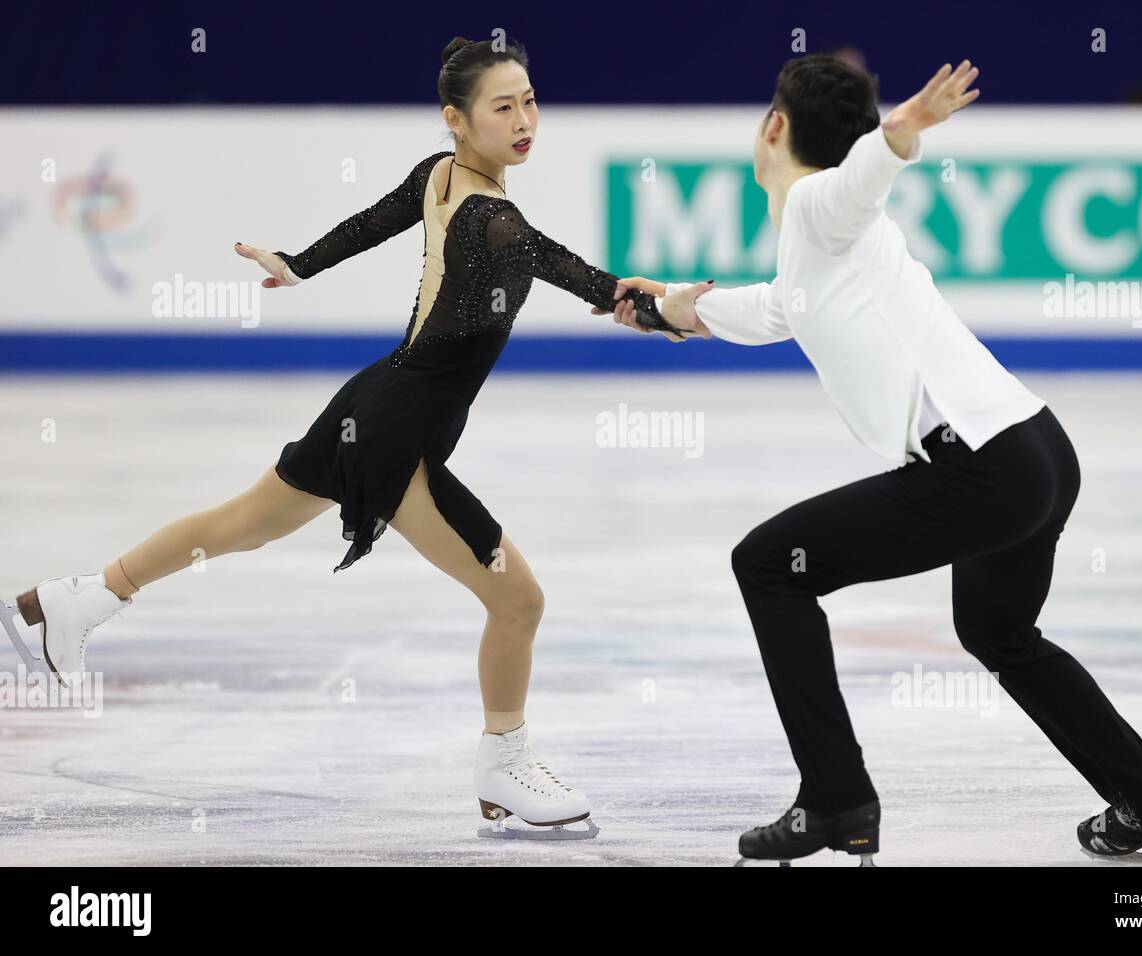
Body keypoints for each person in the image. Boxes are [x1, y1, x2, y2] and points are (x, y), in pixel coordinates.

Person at [2, 35, 703, 840]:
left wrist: (301, 264)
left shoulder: (440, 177)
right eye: (502, 106)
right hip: (395, 434)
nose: (523, 119)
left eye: (530, 100)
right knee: (518, 599)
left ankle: (67, 603)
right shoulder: (493, 218)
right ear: (457, 118)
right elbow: (561, 266)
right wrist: (656, 306)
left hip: (371, 401)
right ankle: (503, 764)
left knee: (238, 526)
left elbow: (375, 221)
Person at [607, 55, 1142, 864]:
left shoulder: (824, 203)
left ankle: (836, 801)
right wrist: (674, 305)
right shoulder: (815, 246)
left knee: (769, 566)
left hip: (980, 468)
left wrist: (901, 133)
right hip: (1036, 451)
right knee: (999, 632)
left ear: (776, 127)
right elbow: (776, 308)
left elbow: (860, 179)